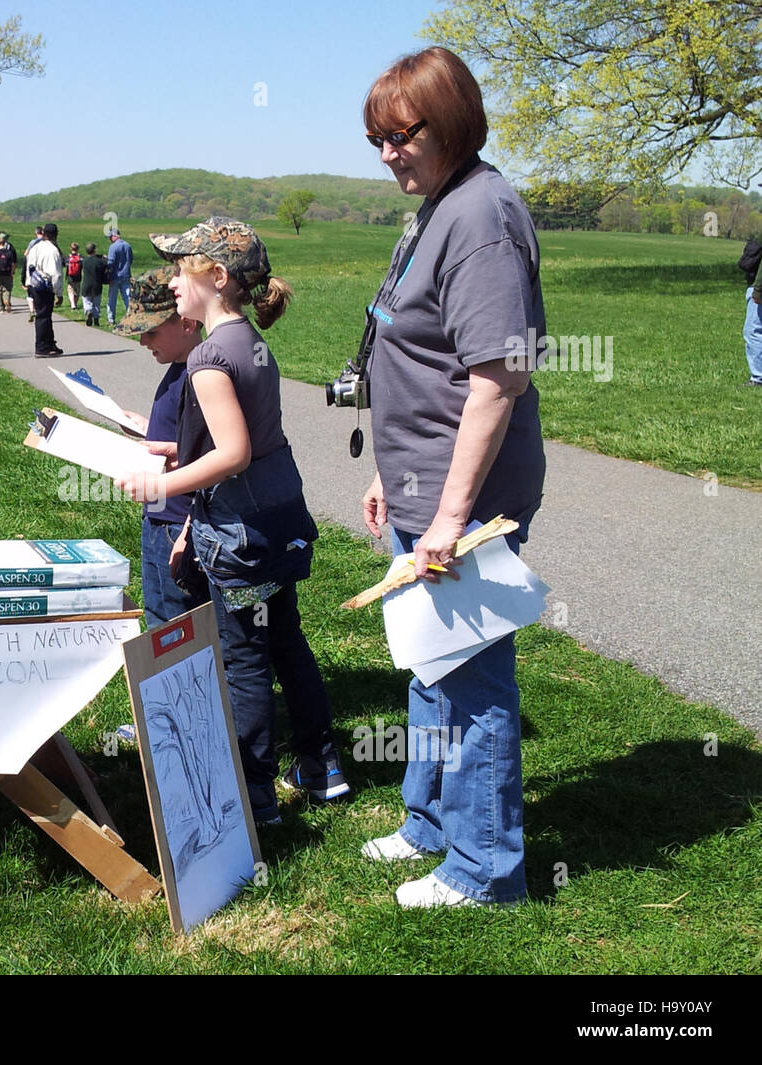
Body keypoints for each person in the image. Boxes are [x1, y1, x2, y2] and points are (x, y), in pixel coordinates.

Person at [356, 47, 546, 908]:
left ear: (454, 120)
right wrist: (396, 484)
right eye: (377, 140)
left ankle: (483, 870)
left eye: (403, 134)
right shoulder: (438, 205)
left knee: (469, 678)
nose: (390, 153)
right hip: (421, 488)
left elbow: (498, 373)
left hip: (463, 504)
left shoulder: (482, 215)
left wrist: (448, 513)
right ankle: (429, 824)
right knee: (428, 667)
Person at [116, 218, 349, 826]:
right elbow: (251, 440)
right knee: (284, 640)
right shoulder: (250, 342)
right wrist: (176, 451)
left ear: (215, 278)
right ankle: (320, 771)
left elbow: (234, 453)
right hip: (276, 522)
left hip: (240, 539)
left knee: (243, 659)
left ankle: (255, 800)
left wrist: (162, 483)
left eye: (180, 269)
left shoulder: (209, 358)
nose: (170, 282)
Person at [113, 268, 209, 628]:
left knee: (177, 624)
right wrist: (144, 425)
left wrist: (186, 531)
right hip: (158, 516)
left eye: (151, 332)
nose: (143, 342)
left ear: (186, 323)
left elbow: (212, 460)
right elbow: (183, 438)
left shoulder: (201, 377)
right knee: (158, 618)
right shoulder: (178, 368)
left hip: (178, 520)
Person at [26, 222, 63, 358]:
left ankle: (50, 344)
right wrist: (59, 293)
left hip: (33, 283)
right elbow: (56, 274)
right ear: (55, 234)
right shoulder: (53, 250)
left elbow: (29, 265)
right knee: (43, 316)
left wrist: (27, 283)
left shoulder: (35, 247)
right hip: (45, 286)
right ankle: (41, 347)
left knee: (46, 316)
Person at [106, 228, 134, 325]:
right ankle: (131, 316)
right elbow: (130, 260)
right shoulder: (127, 245)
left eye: (110, 237)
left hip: (114, 276)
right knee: (128, 298)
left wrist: (108, 275)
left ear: (115, 236)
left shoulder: (113, 247)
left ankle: (111, 319)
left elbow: (110, 263)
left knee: (112, 299)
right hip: (126, 275)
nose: (109, 239)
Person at [80, 241, 106, 326]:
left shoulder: (84, 261)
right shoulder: (100, 262)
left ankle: (88, 311)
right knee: (96, 303)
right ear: (95, 250)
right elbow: (105, 265)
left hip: (86, 284)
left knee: (87, 301)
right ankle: (96, 318)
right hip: (97, 285)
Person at [23, 225, 44, 320]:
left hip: (32, 270)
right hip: (43, 269)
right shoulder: (46, 243)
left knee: (30, 292)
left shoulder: (33, 242)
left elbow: (25, 254)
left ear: (36, 233)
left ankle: (32, 310)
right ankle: (40, 310)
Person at [65, 242, 83, 315]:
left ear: (71, 248)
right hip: (78, 276)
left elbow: (66, 265)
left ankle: (72, 305)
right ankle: (75, 303)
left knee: (70, 290)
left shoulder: (68, 258)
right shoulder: (80, 258)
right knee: (77, 291)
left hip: (70, 276)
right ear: (78, 249)